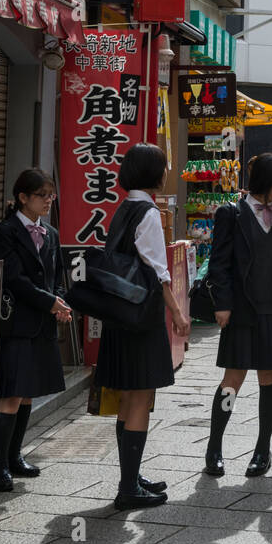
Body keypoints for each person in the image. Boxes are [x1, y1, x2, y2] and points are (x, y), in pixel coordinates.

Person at [93, 144, 190, 510]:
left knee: (130, 396)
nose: (166, 172)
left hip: (121, 315)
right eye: (163, 166)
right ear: (153, 172)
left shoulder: (124, 209)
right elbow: (158, 271)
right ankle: (128, 487)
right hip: (140, 317)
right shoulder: (147, 212)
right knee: (140, 395)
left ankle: (130, 477)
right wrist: (178, 314)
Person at [203, 152, 272, 479]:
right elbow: (218, 263)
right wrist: (221, 303)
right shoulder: (230, 214)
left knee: (268, 379)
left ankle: (263, 449)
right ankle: (214, 447)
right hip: (243, 312)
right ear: (266, 180)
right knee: (232, 381)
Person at [0, 169, 72, 493]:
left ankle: (14, 457)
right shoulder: (6, 231)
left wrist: (59, 301)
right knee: (11, 393)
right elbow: (13, 279)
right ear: (23, 198)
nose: (49, 201)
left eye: (51, 195)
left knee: (27, 394)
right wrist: (51, 302)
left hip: (42, 323)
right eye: (42, 195)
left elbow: (56, 276)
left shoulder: (49, 232)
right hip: (17, 324)